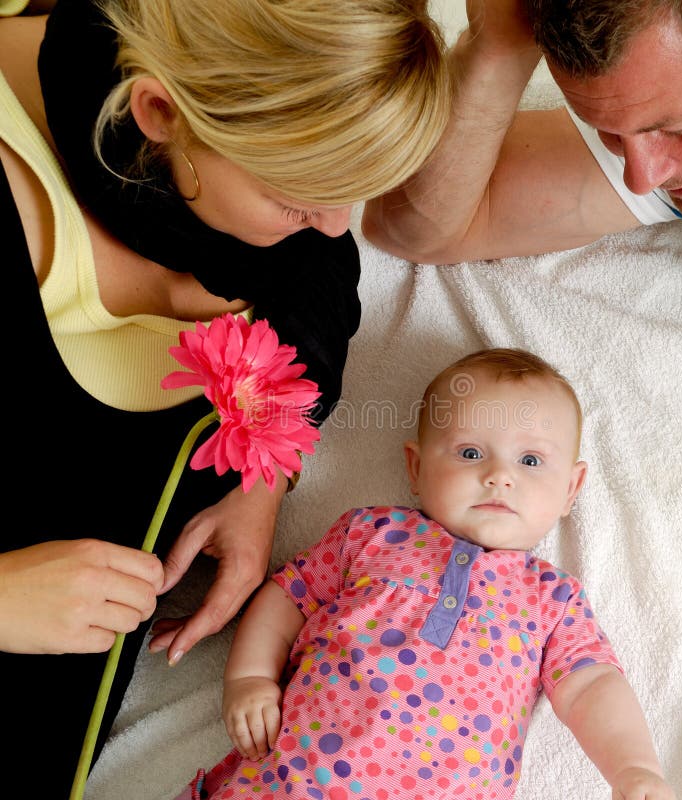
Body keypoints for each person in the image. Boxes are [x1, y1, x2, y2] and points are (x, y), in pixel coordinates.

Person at [0, 0, 450, 793]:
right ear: (159, 111)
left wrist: (264, 470)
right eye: (299, 197)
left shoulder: (244, 209)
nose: (336, 225)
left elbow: (323, 286)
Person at [175, 348, 675, 800]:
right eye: (471, 453)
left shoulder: (551, 598)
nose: (500, 475)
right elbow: (288, 596)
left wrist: (633, 766)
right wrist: (250, 677)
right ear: (415, 468)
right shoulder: (371, 534)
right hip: (295, 781)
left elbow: (591, 685)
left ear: (571, 488)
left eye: (530, 460)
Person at [362, 0, 682, 307]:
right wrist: (494, 46)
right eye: (610, 132)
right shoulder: (665, 126)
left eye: (676, 128)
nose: (641, 178)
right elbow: (410, 229)